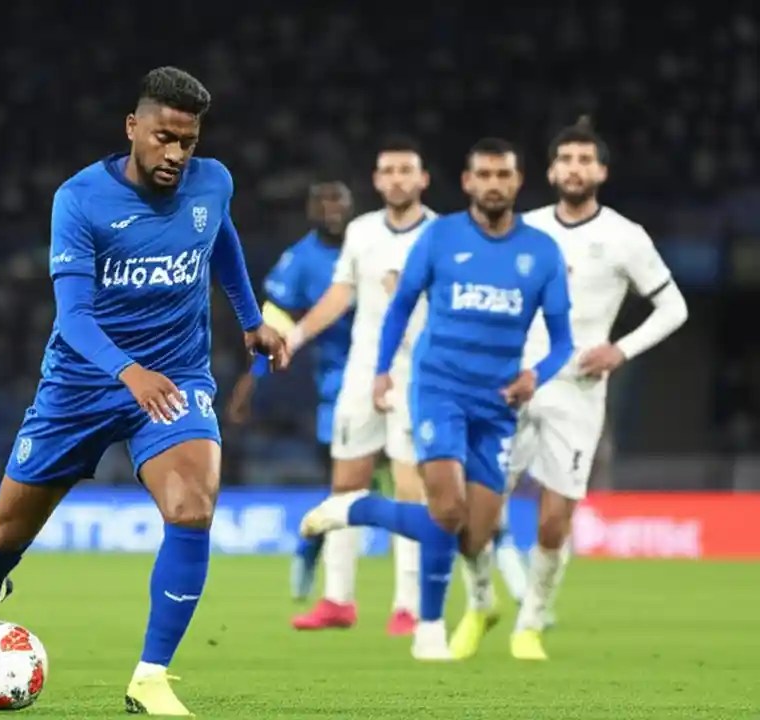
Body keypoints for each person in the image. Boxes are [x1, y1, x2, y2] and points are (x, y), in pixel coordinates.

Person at [0, 66, 287, 716]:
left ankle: (150, 676)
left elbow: (218, 236)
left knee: (193, 507)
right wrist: (128, 373)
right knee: (5, 532)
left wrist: (251, 319)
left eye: (188, 141)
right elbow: (75, 317)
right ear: (133, 128)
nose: (175, 154)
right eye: (164, 137)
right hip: (82, 385)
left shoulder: (213, 183)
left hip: (175, 377)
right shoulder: (80, 200)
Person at [298, 138, 575, 660]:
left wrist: (536, 375)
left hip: (498, 406)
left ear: (518, 183)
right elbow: (399, 307)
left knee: (475, 534)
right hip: (438, 388)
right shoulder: (440, 237)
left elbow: (563, 342)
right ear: (468, 182)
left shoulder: (541, 252)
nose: (494, 184)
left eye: (503, 175)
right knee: (444, 508)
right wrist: (381, 371)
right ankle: (428, 629)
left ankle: (359, 508)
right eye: (484, 175)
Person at [452, 119, 688, 661]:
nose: (576, 169)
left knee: (555, 519)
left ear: (601, 172)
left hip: (578, 392)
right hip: (510, 388)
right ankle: (479, 604)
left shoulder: (625, 237)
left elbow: (674, 306)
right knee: (476, 509)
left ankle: (530, 623)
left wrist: (620, 349)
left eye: (587, 160)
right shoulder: (524, 229)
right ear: (552, 171)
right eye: (567, 160)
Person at [283, 136, 435, 635]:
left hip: (417, 376)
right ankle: (337, 600)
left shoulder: (442, 235)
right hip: (360, 374)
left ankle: (409, 606)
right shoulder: (363, 232)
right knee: (346, 485)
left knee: (412, 489)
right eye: (388, 170)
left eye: (405, 170)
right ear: (376, 180)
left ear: (422, 179)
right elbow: (340, 294)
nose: (396, 178)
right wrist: (297, 335)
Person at [223, 179, 356, 603]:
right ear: (310, 211)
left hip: (400, 380)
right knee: (347, 489)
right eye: (322, 202)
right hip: (340, 391)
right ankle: (312, 539)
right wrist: (251, 380)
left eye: (338, 201)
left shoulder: (374, 243)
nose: (331, 209)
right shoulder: (300, 261)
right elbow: (274, 325)